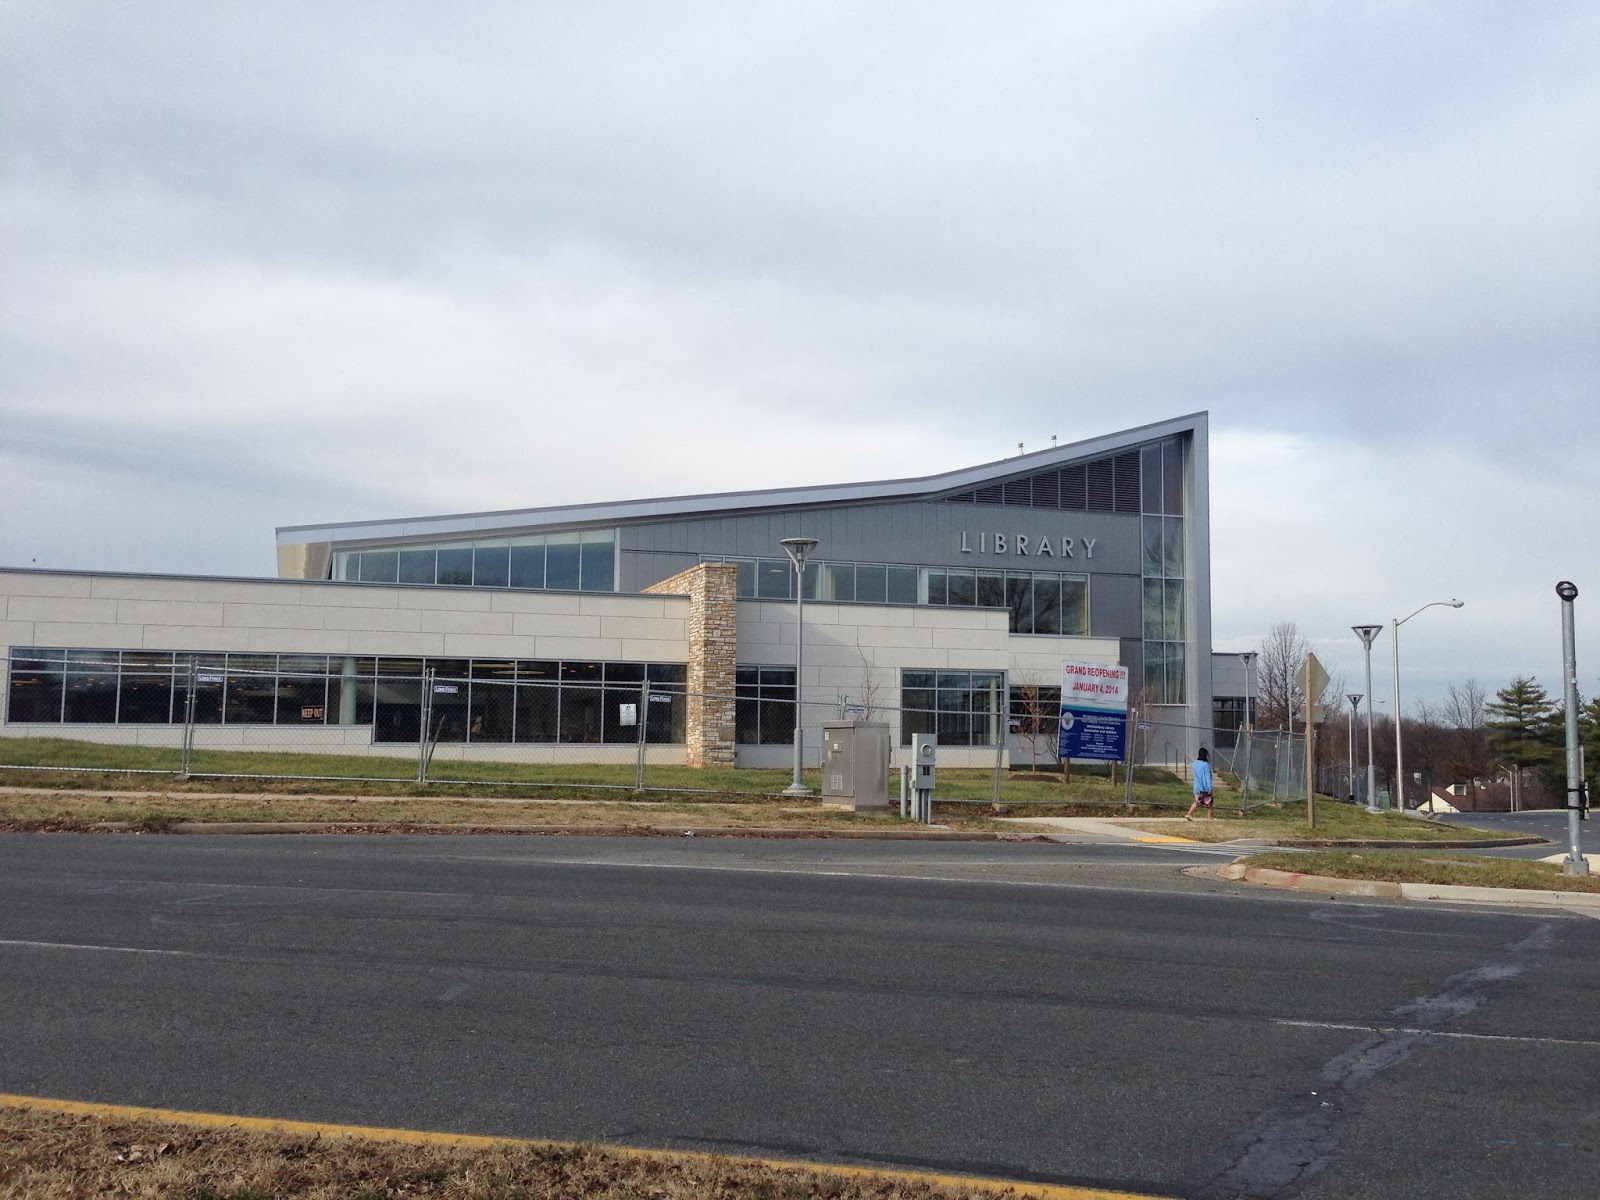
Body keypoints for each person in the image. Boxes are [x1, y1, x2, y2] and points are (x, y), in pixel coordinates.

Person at [1186, 746, 1214, 822]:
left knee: (1197, 801)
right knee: (1209, 803)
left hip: (1197, 787)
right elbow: (1208, 777)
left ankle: (1190, 813)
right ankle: (1210, 817)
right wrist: (1210, 787)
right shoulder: (1206, 765)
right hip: (1205, 787)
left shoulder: (1194, 764)